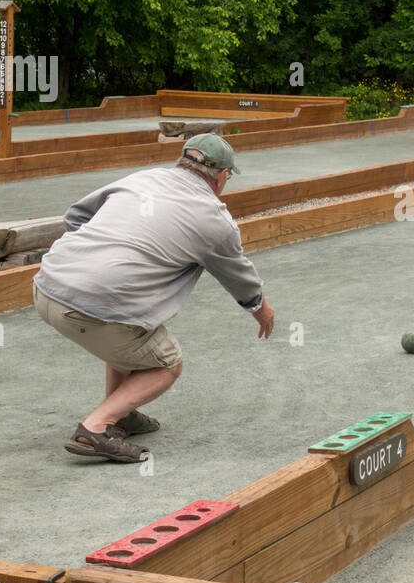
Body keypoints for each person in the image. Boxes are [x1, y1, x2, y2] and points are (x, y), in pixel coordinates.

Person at [33, 133, 274, 462]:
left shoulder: (143, 178)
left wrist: (92, 263)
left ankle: (121, 415)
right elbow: (235, 272)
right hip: (92, 309)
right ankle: (96, 428)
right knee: (166, 363)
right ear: (220, 176)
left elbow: (75, 217)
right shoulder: (215, 220)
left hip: (46, 286)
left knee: (129, 332)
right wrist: (260, 308)